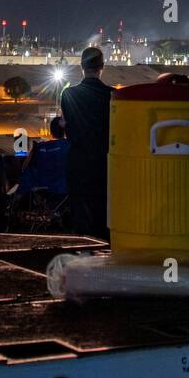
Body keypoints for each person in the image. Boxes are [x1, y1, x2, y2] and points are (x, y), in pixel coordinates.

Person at [60, 47, 113, 238]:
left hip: (78, 159)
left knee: (80, 208)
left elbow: (66, 125)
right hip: (105, 160)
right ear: (102, 67)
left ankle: (82, 249)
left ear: (81, 66)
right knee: (103, 207)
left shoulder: (68, 95)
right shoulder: (112, 95)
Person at [16, 116, 69, 198]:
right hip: (63, 189)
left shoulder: (39, 147)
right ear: (65, 131)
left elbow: (24, 168)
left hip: (41, 189)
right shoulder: (68, 146)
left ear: (51, 131)